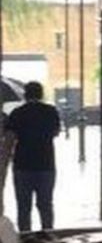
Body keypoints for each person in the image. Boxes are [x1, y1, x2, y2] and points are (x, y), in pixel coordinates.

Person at [5, 82, 62, 232]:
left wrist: (4, 162)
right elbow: (56, 132)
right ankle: (48, 235)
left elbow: (10, 139)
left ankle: (25, 238)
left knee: (24, 206)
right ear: (41, 94)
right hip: (46, 164)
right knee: (45, 204)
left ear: (25, 94)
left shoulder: (17, 113)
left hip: (22, 165)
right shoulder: (51, 111)